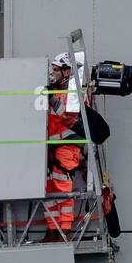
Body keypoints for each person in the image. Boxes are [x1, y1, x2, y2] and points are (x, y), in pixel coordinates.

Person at [43, 52, 84, 241]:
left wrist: (51, 98)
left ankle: (65, 230)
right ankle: (53, 229)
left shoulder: (74, 92)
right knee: (49, 188)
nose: (54, 74)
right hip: (53, 147)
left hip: (67, 147)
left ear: (68, 71)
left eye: (56, 70)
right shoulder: (59, 89)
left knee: (63, 189)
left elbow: (68, 118)